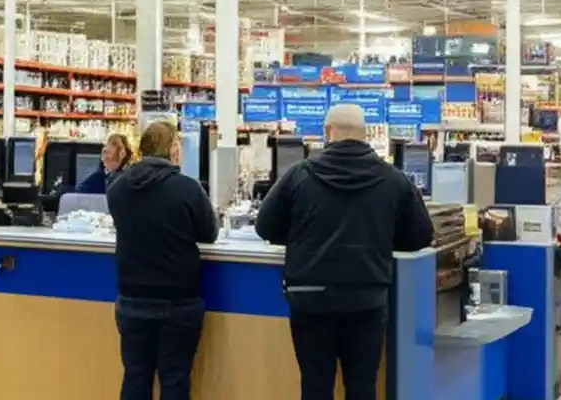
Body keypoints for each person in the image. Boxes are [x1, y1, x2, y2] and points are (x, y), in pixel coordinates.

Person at [255, 104, 435, 400]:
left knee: (315, 385)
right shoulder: (393, 180)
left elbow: (265, 227)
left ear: (328, 132)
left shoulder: (299, 175)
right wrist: (384, 238)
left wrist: (300, 235)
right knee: (362, 387)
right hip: (366, 298)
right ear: (365, 134)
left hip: (309, 297)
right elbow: (420, 236)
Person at [106, 120, 219, 400]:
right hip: (178, 300)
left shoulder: (118, 189)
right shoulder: (187, 189)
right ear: (173, 150)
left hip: (132, 298)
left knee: (135, 377)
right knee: (175, 380)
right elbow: (209, 232)